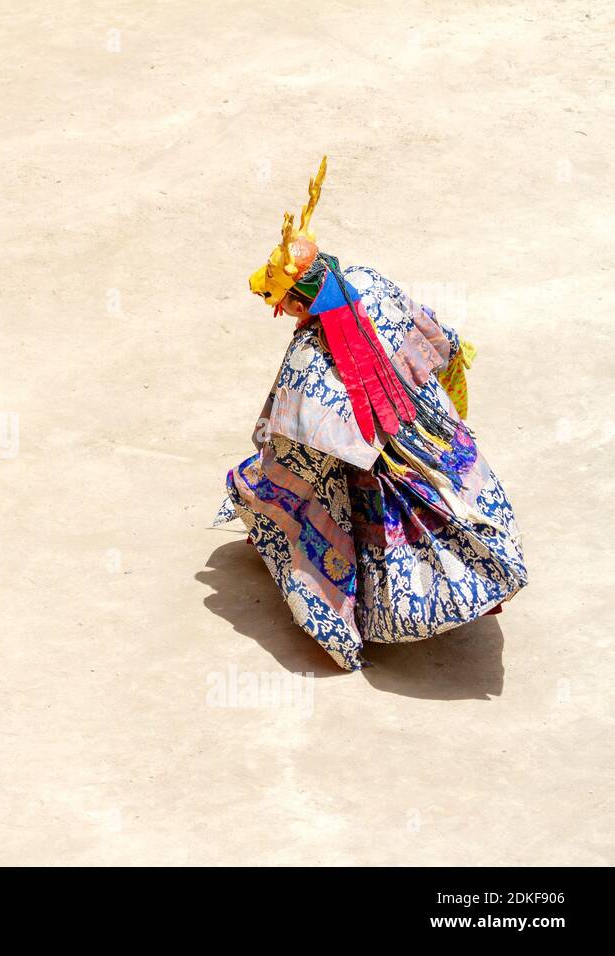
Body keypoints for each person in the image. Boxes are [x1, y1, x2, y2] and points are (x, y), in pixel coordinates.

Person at [215, 157, 526, 671]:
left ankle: (364, 620)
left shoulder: (309, 358)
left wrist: (271, 488)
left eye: (284, 303)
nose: (283, 313)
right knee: (459, 503)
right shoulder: (369, 282)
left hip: (379, 465)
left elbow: (291, 445)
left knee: (319, 508)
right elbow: (433, 333)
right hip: (429, 428)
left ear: (300, 304)